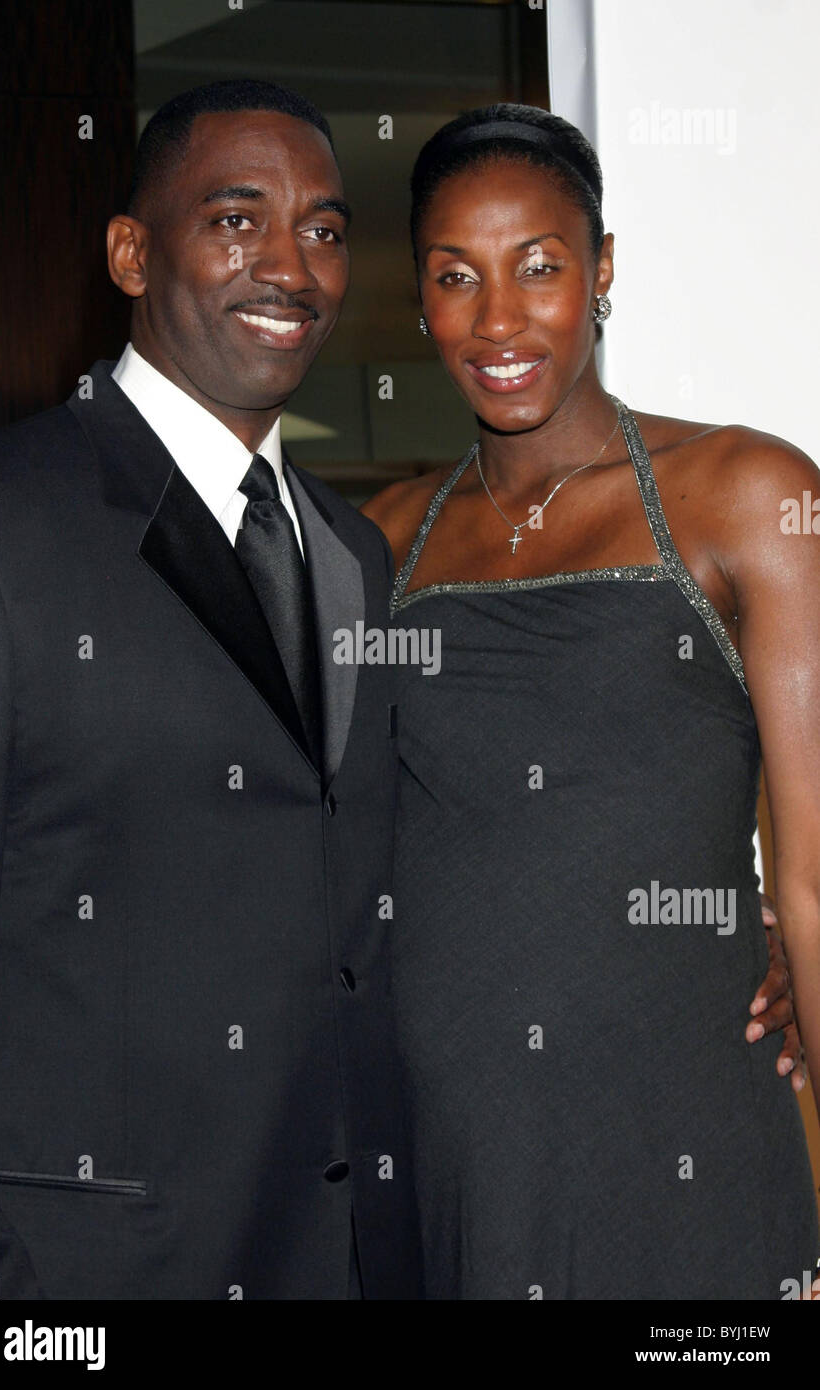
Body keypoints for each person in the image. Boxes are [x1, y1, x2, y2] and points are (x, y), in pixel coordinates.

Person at [0, 79, 421, 1300]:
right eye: (234, 219)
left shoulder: (352, 552)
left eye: (322, 229)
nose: (290, 266)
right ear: (128, 252)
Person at [363, 103, 820, 1299]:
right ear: (419, 298)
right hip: (453, 1155)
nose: (497, 319)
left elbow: (815, 876)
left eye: (540, 268)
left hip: (687, 1134)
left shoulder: (747, 496)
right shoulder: (378, 543)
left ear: (601, 269)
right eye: (455, 276)